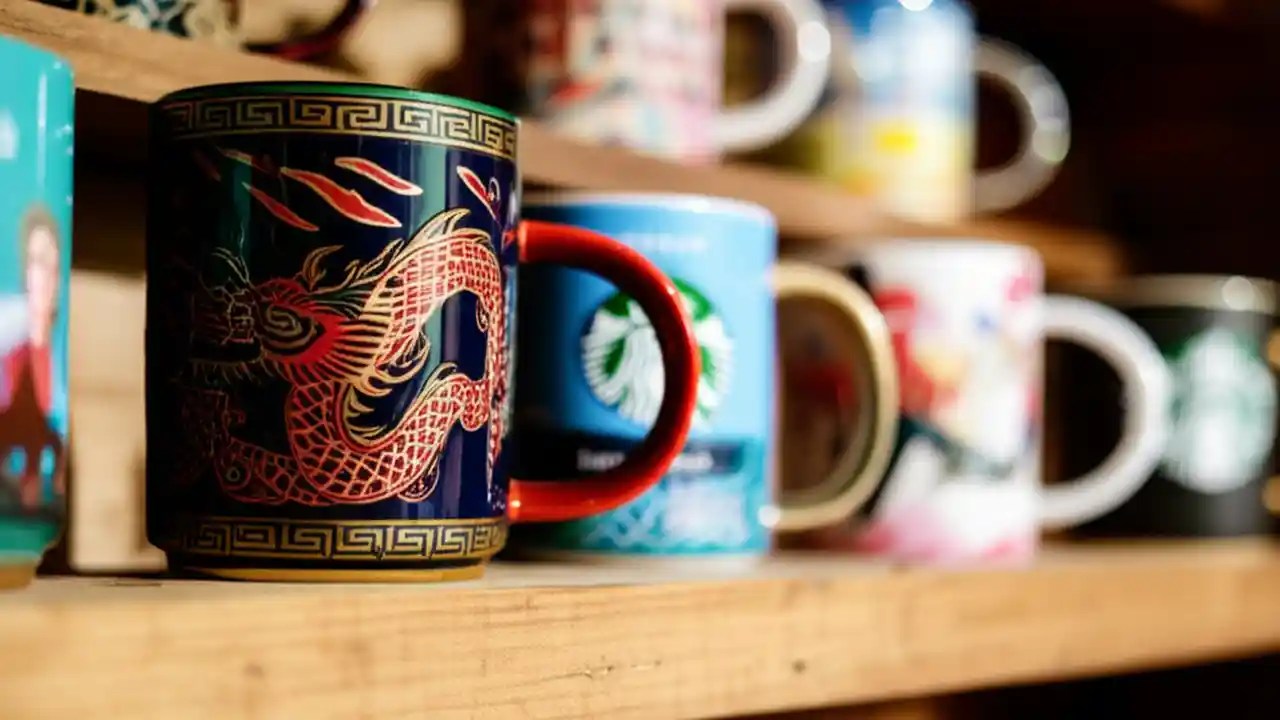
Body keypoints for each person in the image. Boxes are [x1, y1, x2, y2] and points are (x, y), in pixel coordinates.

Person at [0, 206, 66, 511]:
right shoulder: (11, 329)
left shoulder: (55, 342)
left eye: (53, 265)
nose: (46, 275)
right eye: (38, 262)